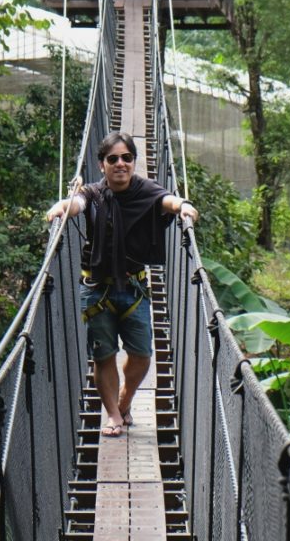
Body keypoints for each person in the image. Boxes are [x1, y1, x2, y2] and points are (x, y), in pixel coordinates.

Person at [47, 132, 199, 437]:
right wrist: (63, 206)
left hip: (134, 288)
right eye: (112, 159)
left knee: (142, 355)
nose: (120, 164)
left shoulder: (146, 190)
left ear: (134, 162)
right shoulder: (92, 193)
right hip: (96, 289)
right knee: (103, 356)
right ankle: (114, 416)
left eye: (126, 158)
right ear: (102, 165)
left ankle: (125, 400)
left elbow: (165, 199)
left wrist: (183, 205)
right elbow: (78, 203)